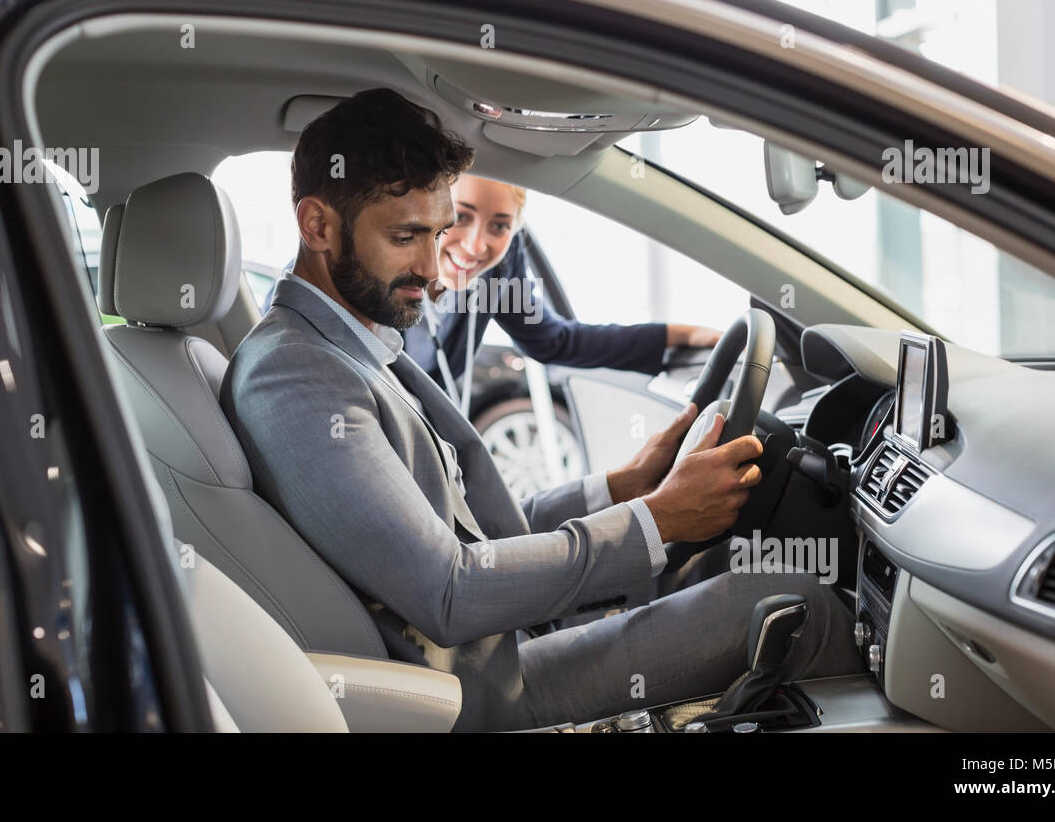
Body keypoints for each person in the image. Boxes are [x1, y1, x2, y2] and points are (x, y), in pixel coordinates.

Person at [221, 88, 862, 732]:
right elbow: (450, 591)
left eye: (437, 233)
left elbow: (464, 533)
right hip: (474, 694)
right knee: (795, 602)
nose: (435, 269)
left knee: (731, 564)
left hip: (500, 648)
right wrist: (657, 518)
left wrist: (623, 488)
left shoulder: (346, 343)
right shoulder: (295, 373)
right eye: (405, 236)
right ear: (317, 225)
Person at [403, 173, 721, 413]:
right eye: (461, 217)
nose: (476, 246)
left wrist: (683, 335)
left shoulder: (499, 265)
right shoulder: (382, 272)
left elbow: (554, 341)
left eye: (499, 226)